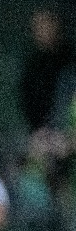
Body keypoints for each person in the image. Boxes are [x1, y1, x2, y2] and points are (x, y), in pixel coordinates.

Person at [19, 7, 71, 138]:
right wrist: (39, 130)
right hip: (43, 134)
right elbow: (28, 100)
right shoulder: (32, 66)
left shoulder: (70, 58)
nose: (42, 30)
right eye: (38, 26)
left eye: (46, 24)